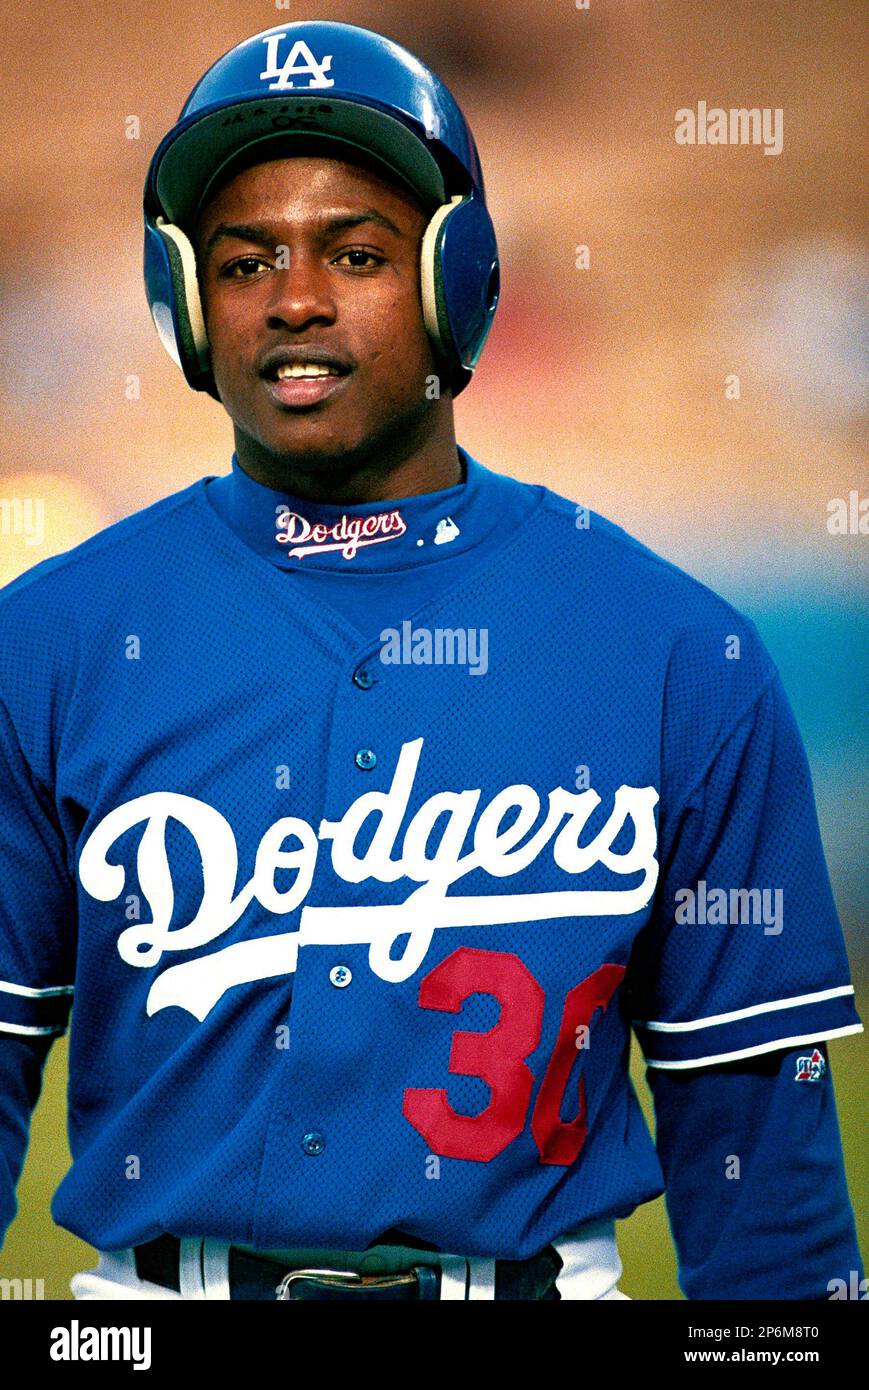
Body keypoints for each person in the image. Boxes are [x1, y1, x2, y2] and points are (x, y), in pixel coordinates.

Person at [0, 20, 862, 1302]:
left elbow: (763, 1179)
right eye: (243, 261)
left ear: (456, 282)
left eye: (356, 252)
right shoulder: (50, 641)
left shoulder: (675, 652)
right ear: (186, 303)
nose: (294, 298)